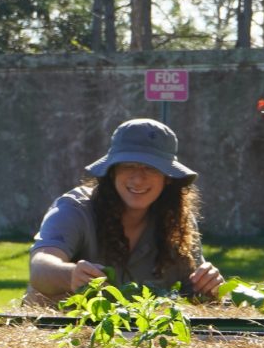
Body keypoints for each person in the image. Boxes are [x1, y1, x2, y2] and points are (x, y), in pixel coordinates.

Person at [27, 118, 225, 302]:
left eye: (151, 168)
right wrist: (70, 274)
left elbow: (195, 292)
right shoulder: (75, 208)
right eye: (128, 166)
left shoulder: (177, 221)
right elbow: (40, 268)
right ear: (111, 171)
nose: (138, 178)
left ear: (168, 177)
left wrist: (209, 286)